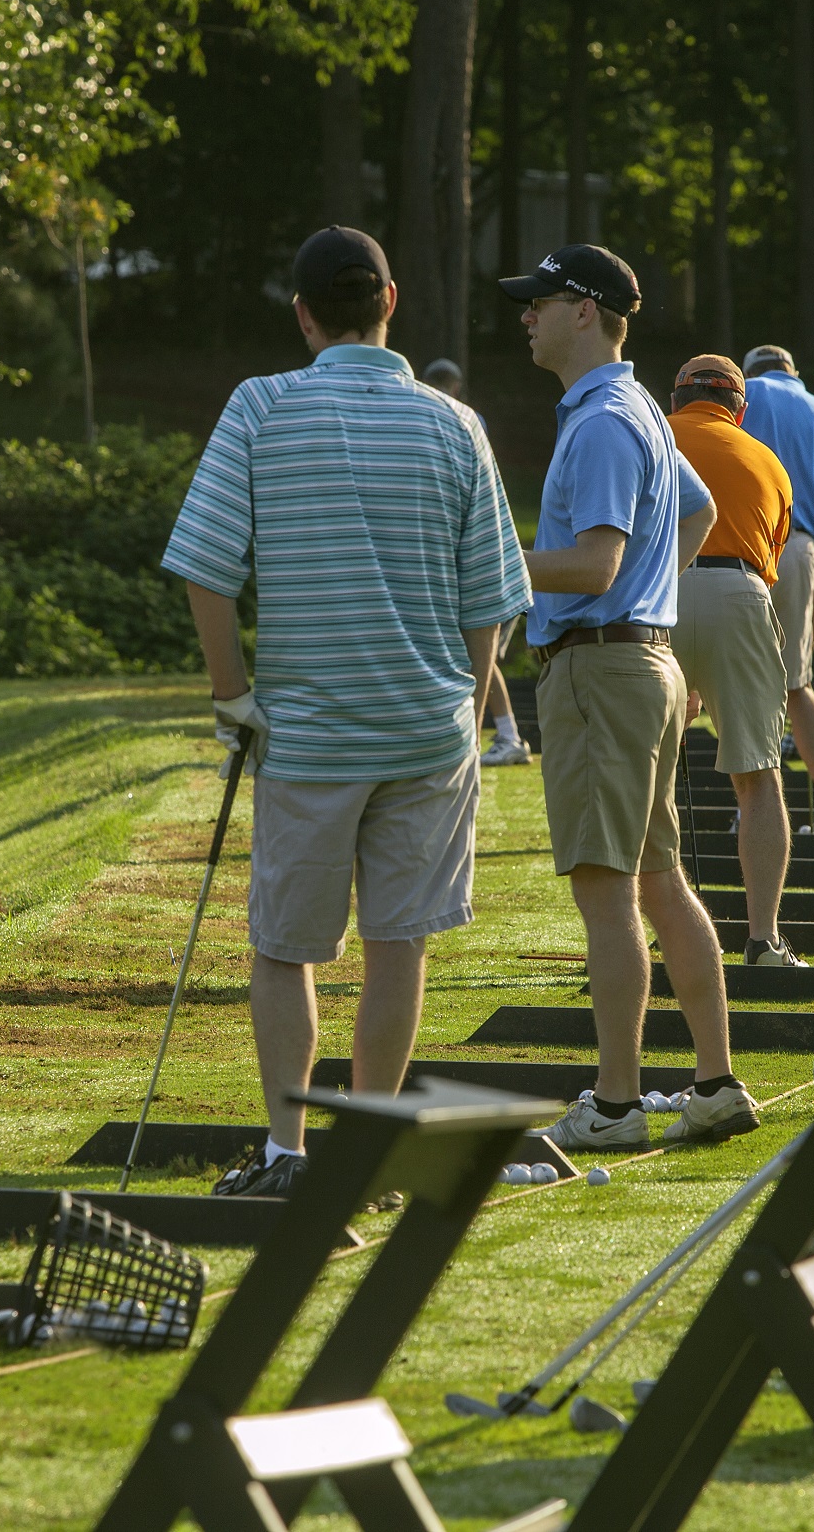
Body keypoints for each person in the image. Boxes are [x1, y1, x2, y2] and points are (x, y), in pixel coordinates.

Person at [163, 227, 529, 1198]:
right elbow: (491, 599)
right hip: (426, 729)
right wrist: (464, 697)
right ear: (391, 301)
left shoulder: (261, 405)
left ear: (302, 311)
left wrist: (230, 695)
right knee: (394, 944)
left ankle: (289, 1152)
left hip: (310, 731)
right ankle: (364, 1149)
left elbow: (204, 569)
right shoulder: (454, 423)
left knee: (285, 946)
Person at [499, 244, 756, 1151]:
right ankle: (715, 1082)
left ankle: (614, 1104)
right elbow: (694, 513)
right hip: (638, 661)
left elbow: (596, 562)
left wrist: (486, 563)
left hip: (601, 669)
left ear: (586, 309)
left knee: (607, 892)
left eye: (540, 301)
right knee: (657, 879)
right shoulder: (637, 404)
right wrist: (656, 602)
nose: (525, 315)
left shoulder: (603, 417)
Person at [664, 355, 804, 969]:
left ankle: (654, 931)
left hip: (655, 593)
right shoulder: (767, 461)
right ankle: (764, 940)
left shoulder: (652, 433)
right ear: (739, 409)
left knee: (644, 774)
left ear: (677, 397)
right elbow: (768, 564)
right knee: (757, 775)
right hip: (738, 592)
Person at [740, 343, 814, 833]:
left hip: (744, 544)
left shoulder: (742, 396)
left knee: (740, 684)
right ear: (794, 371)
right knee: (797, 686)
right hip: (802, 549)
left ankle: (750, 812)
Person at [423, 356, 531, 768]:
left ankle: (506, 737)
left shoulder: (464, 422)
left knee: (480, 657)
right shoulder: (457, 418)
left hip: (485, 555)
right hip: (477, 553)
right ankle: (503, 736)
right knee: (477, 656)